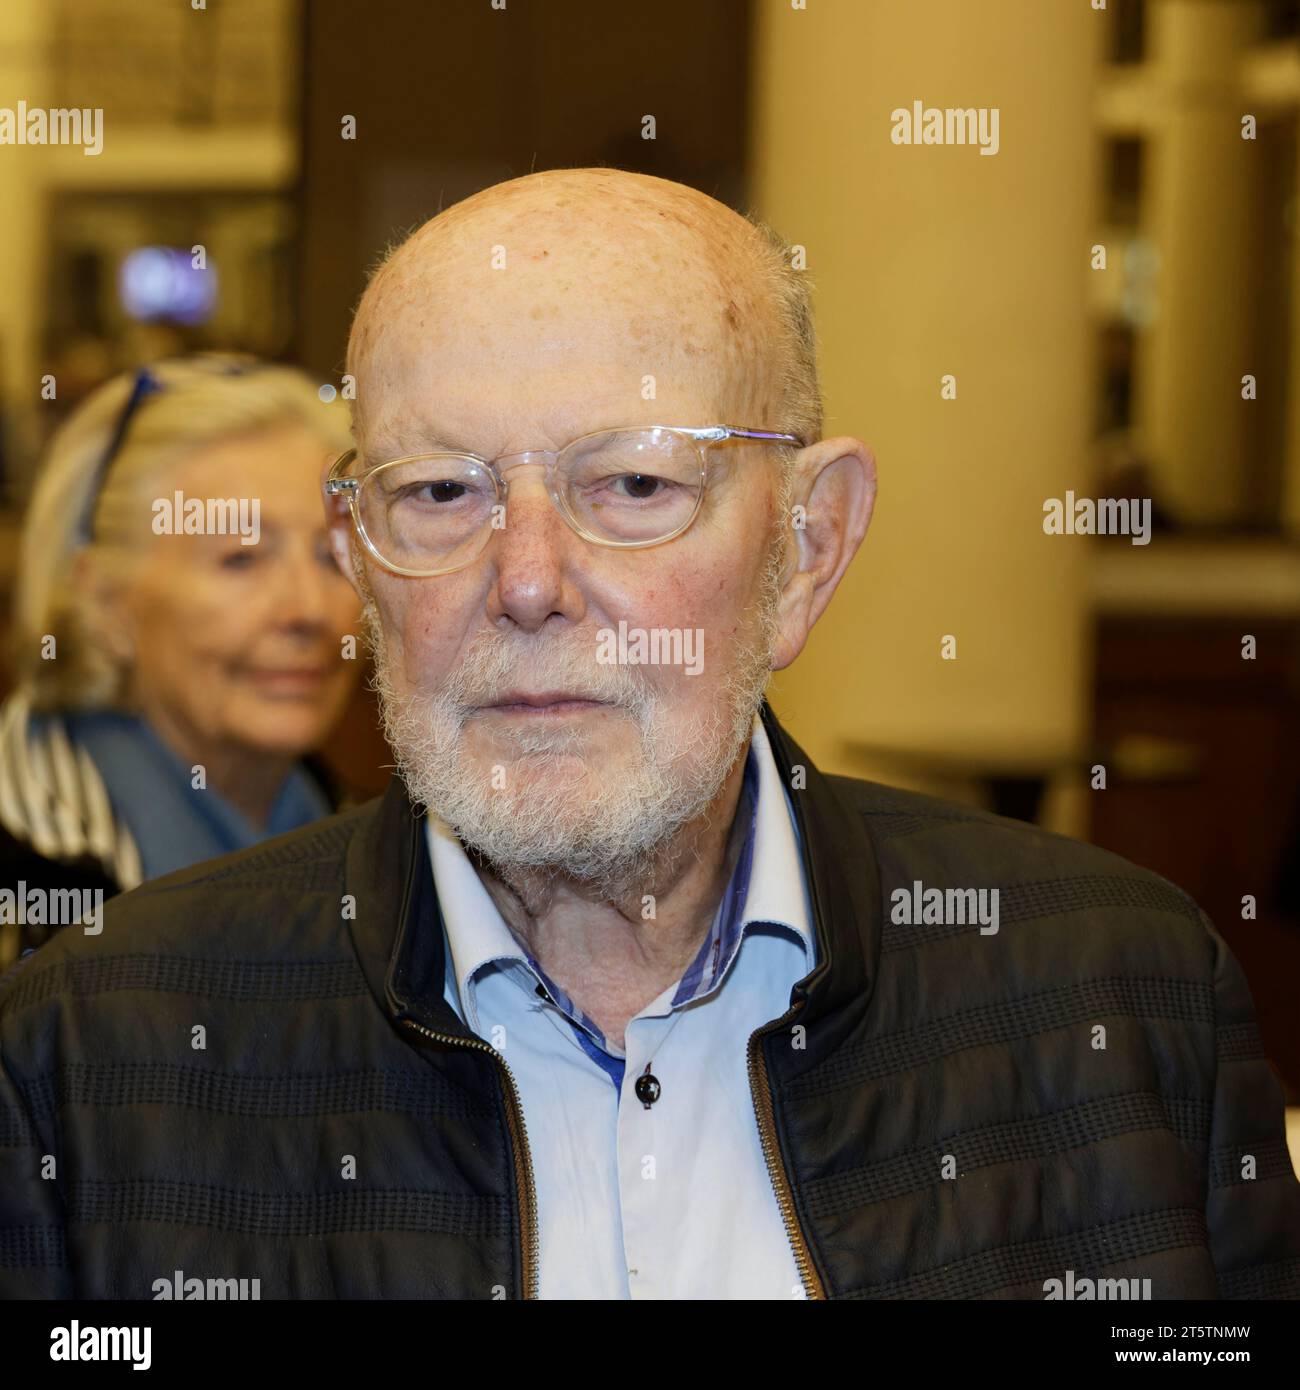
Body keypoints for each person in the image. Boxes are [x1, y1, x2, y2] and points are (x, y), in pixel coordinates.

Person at [1, 170, 1298, 1300]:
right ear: (367, 561)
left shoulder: (1123, 1004)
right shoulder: (88, 1062)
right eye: (442, 491)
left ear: (808, 545)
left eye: (632, 484)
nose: (525, 580)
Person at [0, 354, 360, 968]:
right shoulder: (38, 894)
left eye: (332, 557)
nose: (309, 609)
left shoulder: (372, 848)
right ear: (106, 605)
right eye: (242, 558)